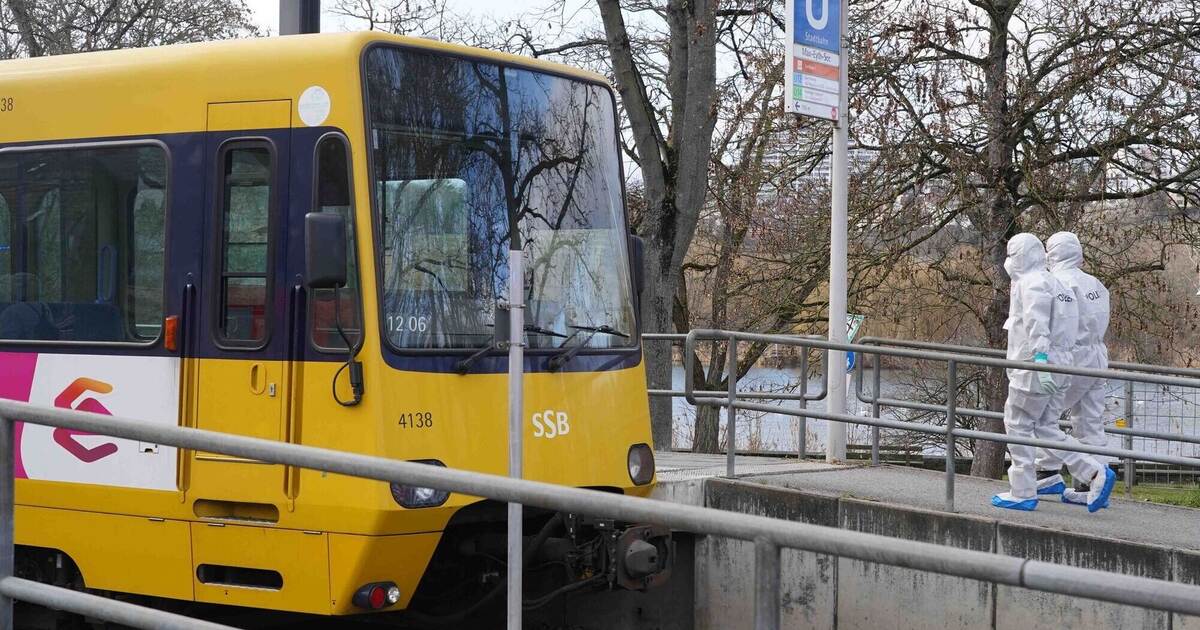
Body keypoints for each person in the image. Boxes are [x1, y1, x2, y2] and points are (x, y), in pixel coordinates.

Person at [991, 233, 1115, 513]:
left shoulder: (1037, 283)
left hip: (1040, 365)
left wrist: (1042, 361)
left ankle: (1025, 489)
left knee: (1020, 423)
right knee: (1059, 425)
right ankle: (1094, 473)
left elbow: (1037, 328)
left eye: (1012, 255)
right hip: (1076, 360)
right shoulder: (1078, 284)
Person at [1033, 232, 1112, 505]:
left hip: (1070, 356)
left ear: (1051, 253)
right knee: (1090, 421)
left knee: (1044, 416)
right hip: (1097, 357)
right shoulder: (1096, 284)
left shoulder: (1054, 283)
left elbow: (1054, 325)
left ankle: (1047, 472)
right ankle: (1093, 483)